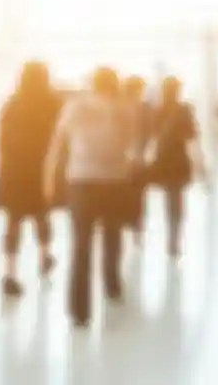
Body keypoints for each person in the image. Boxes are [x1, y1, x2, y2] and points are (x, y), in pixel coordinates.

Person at [44, 67, 138, 328]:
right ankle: (112, 284)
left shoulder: (75, 107)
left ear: (92, 83)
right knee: (112, 236)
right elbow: (129, 143)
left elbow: (58, 143)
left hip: (81, 181)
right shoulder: (124, 109)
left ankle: (79, 310)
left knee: (81, 245)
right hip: (115, 180)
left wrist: (50, 177)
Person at [0, 62, 63, 298]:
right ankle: (45, 257)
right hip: (41, 169)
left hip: (14, 169)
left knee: (13, 220)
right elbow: (60, 137)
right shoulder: (52, 104)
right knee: (42, 215)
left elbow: (1, 140)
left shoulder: (12, 104)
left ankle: (10, 273)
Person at [147, 76, 205, 258]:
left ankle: (141, 232)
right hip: (179, 160)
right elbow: (192, 138)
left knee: (166, 198)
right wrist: (200, 163)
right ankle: (174, 240)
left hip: (161, 159)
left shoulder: (156, 110)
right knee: (176, 200)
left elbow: (150, 136)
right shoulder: (184, 110)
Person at [122, 76, 153, 247]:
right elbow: (149, 133)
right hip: (138, 160)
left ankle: (128, 227)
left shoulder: (118, 107)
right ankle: (136, 231)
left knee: (124, 195)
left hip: (121, 162)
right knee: (138, 197)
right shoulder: (144, 108)